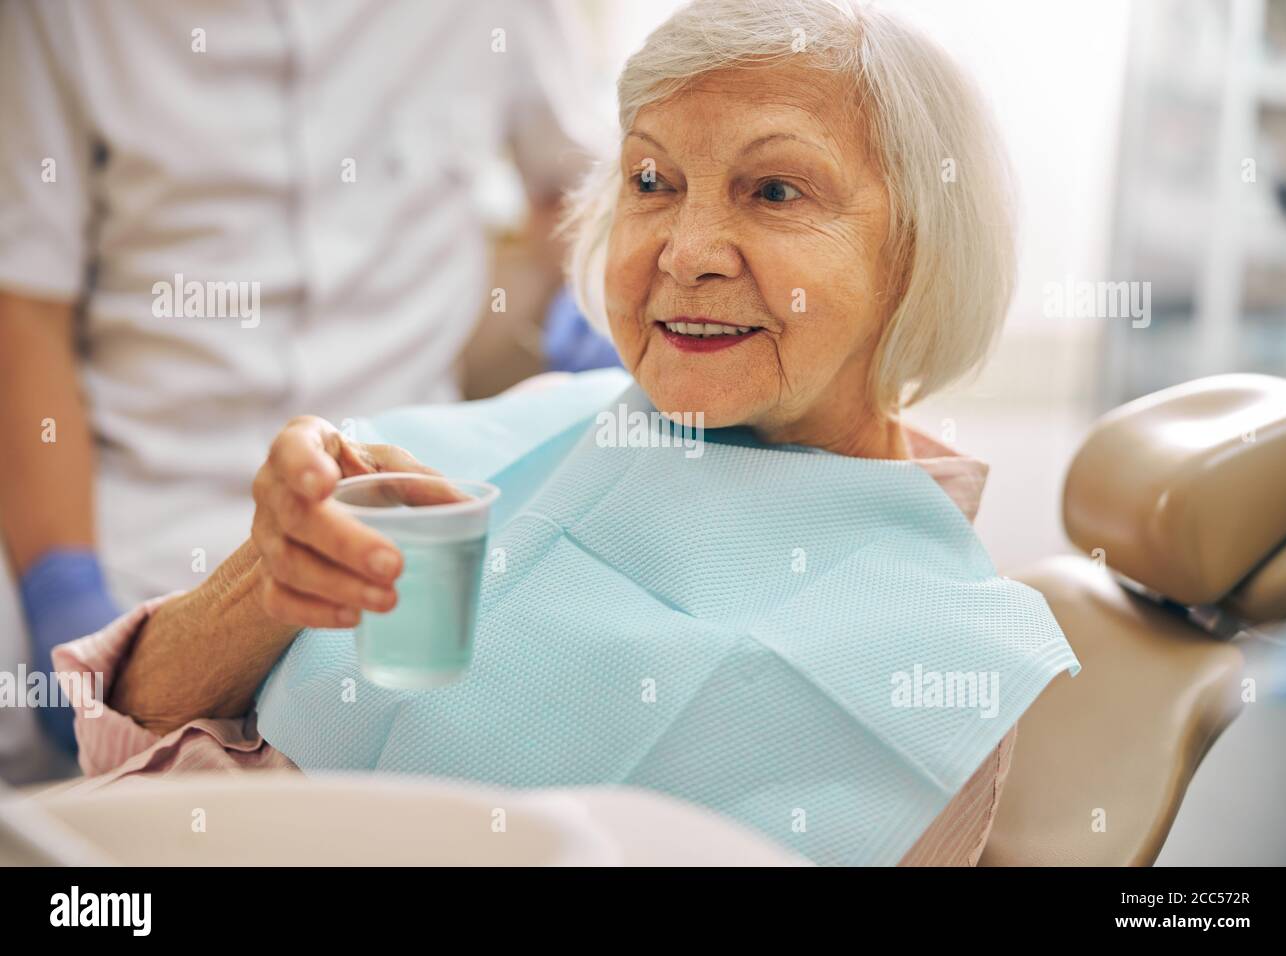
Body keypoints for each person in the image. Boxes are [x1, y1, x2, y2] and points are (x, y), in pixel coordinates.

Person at [51, 0, 1078, 865]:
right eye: (650, 181)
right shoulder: (478, 451)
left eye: (774, 190)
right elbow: (130, 724)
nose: (684, 252)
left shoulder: (931, 660)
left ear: (917, 250)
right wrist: (264, 585)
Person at [0, 0, 594, 768]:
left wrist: (602, 294)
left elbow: (574, 178)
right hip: (132, 515)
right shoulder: (56, 17)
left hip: (396, 512)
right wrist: (61, 588)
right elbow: (25, 305)